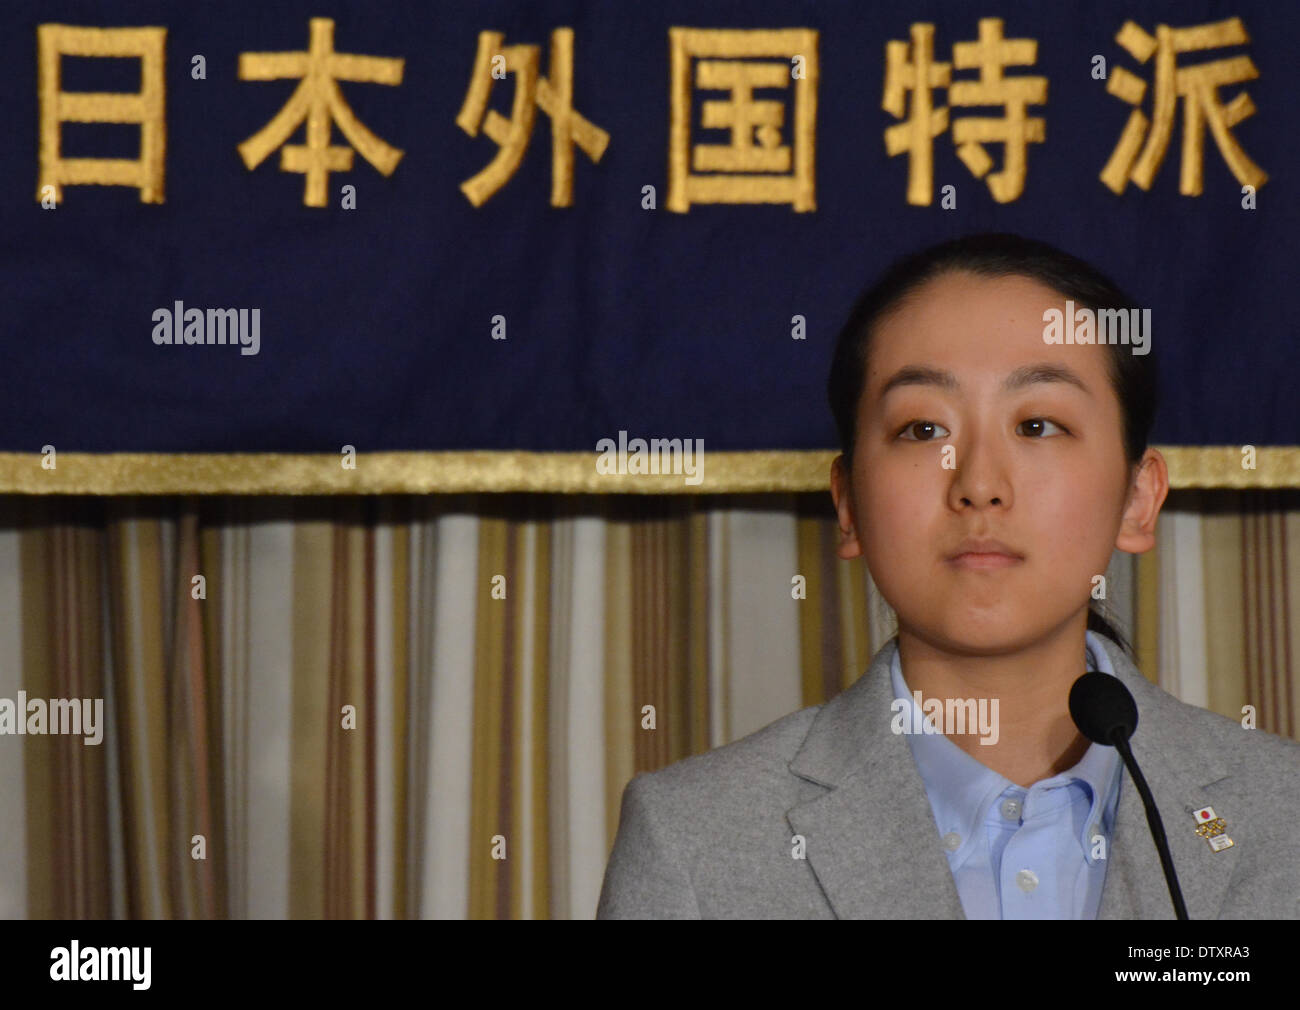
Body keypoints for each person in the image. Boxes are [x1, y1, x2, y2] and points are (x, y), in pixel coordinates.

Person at [596, 232, 1300, 919]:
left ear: (1137, 499)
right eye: (923, 430)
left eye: (1038, 425)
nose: (979, 484)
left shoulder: (1283, 813)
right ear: (847, 506)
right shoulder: (695, 839)